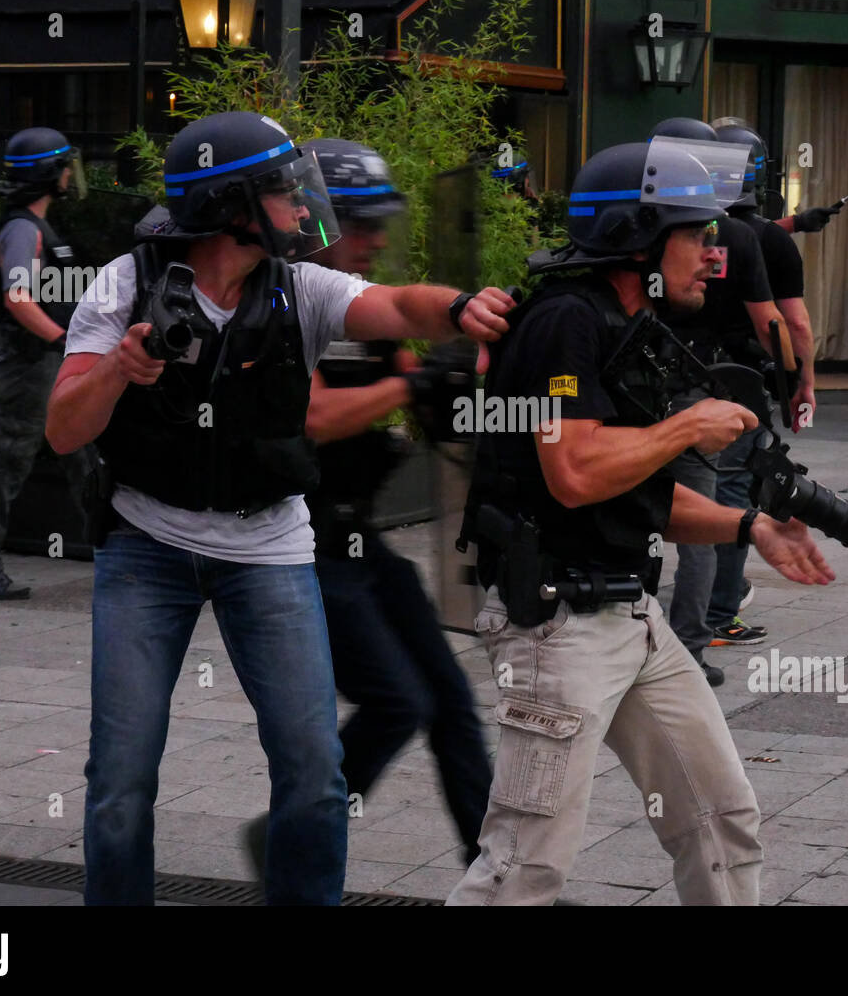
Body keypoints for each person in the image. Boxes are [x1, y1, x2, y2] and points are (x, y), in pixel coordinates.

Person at [45, 111, 513, 905]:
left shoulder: (299, 285)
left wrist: (461, 306)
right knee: (120, 780)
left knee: (314, 773)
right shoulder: (125, 284)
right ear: (232, 205)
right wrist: (122, 368)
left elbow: (398, 307)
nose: (304, 209)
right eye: (285, 192)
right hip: (147, 544)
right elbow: (63, 429)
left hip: (269, 545)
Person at [447, 140, 834, 906]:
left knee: (722, 822)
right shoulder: (564, 322)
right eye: (695, 235)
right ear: (636, 238)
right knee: (523, 867)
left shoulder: (632, 330)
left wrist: (747, 525)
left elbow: (637, 496)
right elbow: (576, 470)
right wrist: (687, 429)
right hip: (555, 625)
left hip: (631, 614)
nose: (712, 255)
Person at [242, 138, 493, 872]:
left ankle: (497, 876)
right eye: (360, 224)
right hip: (298, 547)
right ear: (312, 219)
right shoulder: (279, 305)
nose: (376, 240)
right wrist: (410, 390)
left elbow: (420, 385)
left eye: (383, 224)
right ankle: (287, 837)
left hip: (357, 538)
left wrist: (453, 388)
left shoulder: (366, 314)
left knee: (450, 700)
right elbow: (312, 418)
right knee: (396, 701)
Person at [644, 119, 788, 679]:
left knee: (653, 514)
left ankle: (643, 633)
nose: (706, 252)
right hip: (706, 392)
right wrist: (795, 380)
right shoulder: (740, 233)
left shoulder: (641, 227)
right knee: (701, 519)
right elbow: (777, 320)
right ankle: (689, 644)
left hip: (655, 392)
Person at [0, 128, 97, 600]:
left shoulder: (31, 227)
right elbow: (17, 297)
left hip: (37, 359)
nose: (68, 175)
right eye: (63, 166)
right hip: (27, 361)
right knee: (14, 459)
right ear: (48, 174)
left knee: (83, 454)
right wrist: (62, 338)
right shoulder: (23, 229)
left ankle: (119, 556)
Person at [705, 118, 821, 645]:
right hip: (740, 385)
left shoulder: (678, 227)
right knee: (733, 494)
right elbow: (790, 324)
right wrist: (802, 383)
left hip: (670, 381)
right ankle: (717, 613)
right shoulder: (768, 239)